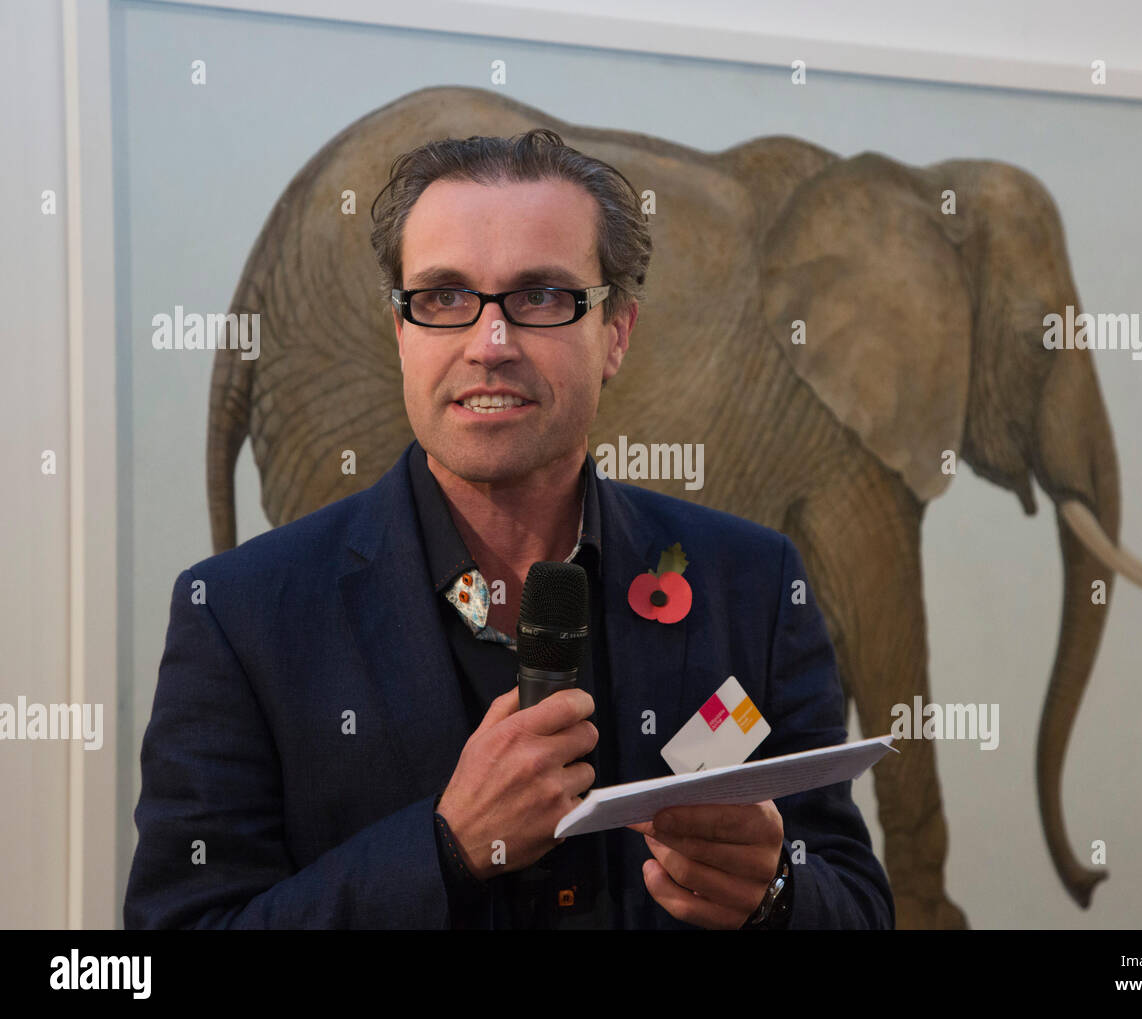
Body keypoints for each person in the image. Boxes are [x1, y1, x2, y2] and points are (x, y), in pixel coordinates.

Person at [123, 129, 894, 930]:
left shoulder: (755, 585)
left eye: (540, 296)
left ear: (617, 333)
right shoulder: (240, 615)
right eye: (444, 297)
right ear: (401, 331)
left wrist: (775, 894)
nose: (489, 345)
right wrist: (446, 848)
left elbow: (855, 905)